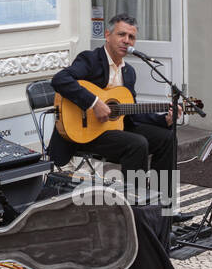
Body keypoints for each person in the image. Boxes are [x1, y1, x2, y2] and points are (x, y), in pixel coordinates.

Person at [49, 13, 180, 212]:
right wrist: (94, 102)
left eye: (131, 37)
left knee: (166, 138)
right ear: (108, 35)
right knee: (137, 144)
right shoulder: (90, 59)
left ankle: (163, 209)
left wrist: (164, 119)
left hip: (114, 130)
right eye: (121, 35)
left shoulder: (129, 73)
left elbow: (131, 113)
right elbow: (60, 80)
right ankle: (134, 211)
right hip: (85, 133)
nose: (126, 41)